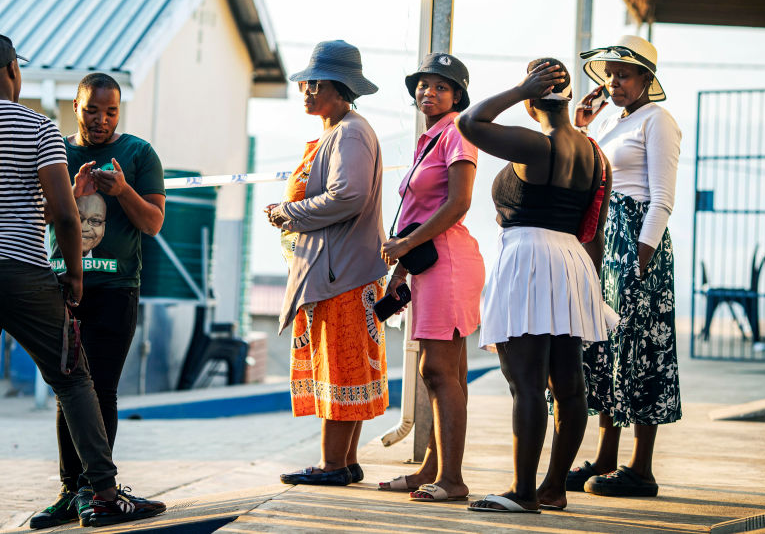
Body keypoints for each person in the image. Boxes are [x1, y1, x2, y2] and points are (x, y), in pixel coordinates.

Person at [0, 33, 166, 533]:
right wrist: (76, 277)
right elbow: (65, 215)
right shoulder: (38, 129)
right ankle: (103, 491)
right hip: (23, 272)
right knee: (73, 378)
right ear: (14, 73)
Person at [457, 58, 617, 513]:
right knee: (569, 385)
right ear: (568, 99)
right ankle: (554, 487)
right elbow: (595, 229)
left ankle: (522, 492)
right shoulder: (591, 152)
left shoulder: (536, 143)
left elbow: (471, 121)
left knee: (526, 384)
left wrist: (517, 87)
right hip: (574, 263)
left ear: (531, 101)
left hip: (529, 260)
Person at [31, 72, 165, 529]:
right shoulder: (57, 151)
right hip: (62, 287)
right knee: (66, 391)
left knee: (100, 387)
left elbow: (153, 223)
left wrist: (123, 190)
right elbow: (36, 217)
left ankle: (95, 489)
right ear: (76, 105)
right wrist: (75, 194)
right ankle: (73, 491)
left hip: (115, 292)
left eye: (110, 112)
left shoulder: (139, 154)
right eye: (92, 110)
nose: (101, 120)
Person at [264, 40, 389, 487]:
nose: (307, 90)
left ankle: (333, 466)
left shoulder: (350, 132)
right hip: (344, 272)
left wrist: (289, 213)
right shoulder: (342, 130)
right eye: (306, 83)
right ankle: (346, 461)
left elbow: (348, 195)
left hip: (342, 277)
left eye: (317, 84)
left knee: (340, 370)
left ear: (343, 88)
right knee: (347, 371)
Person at [567, 35, 682, 498]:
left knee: (640, 352)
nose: (614, 81)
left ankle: (641, 469)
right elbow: (584, 172)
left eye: (625, 73)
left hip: (637, 248)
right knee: (606, 351)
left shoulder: (659, 121)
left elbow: (662, 199)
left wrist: (640, 261)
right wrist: (581, 126)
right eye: (610, 73)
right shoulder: (614, 122)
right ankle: (607, 457)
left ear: (646, 79)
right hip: (606, 243)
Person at [377, 53, 484, 502]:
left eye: (441, 86)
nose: (429, 92)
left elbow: (458, 204)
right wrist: (402, 268)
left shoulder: (457, 130)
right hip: (428, 262)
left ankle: (452, 479)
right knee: (448, 372)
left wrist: (402, 247)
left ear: (457, 96)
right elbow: (418, 210)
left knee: (438, 370)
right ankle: (431, 470)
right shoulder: (428, 138)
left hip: (449, 261)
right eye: (423, 84)